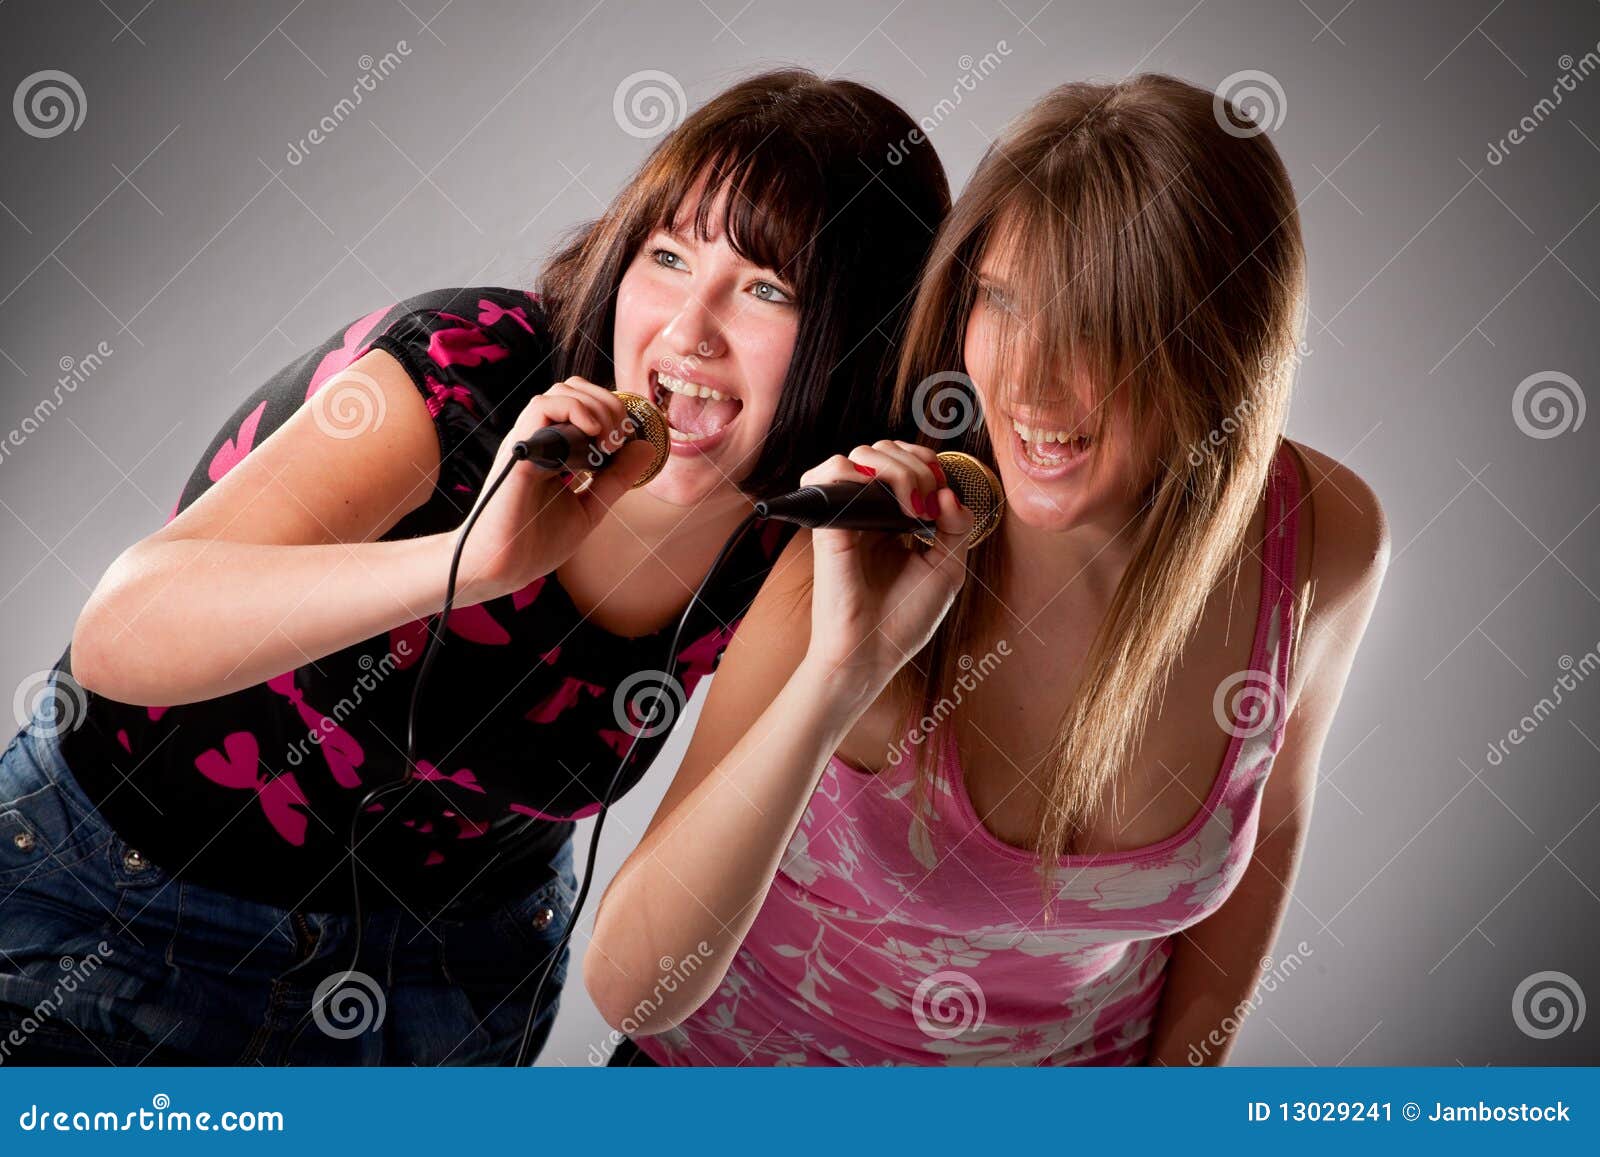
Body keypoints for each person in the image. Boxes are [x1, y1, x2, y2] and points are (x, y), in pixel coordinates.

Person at [0, 68, 949, 1065]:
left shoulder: (802, 533)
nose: (686, 329)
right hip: (115, 904)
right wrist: (468, 561)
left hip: (450, 988)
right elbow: (120, 633)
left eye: (767, 288)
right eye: (666, 256)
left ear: (860, 340)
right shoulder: (471, 367)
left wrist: (838, 678)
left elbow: (640, 988)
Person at [587, 73, 1390, 1066]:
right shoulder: (867, 547)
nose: (1029, 381)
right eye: (1001, 301)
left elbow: (1263, 837)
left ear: (1221, 344)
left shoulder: (1321, 537)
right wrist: (843, 671)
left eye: (1097, 322)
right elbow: (629, 984)